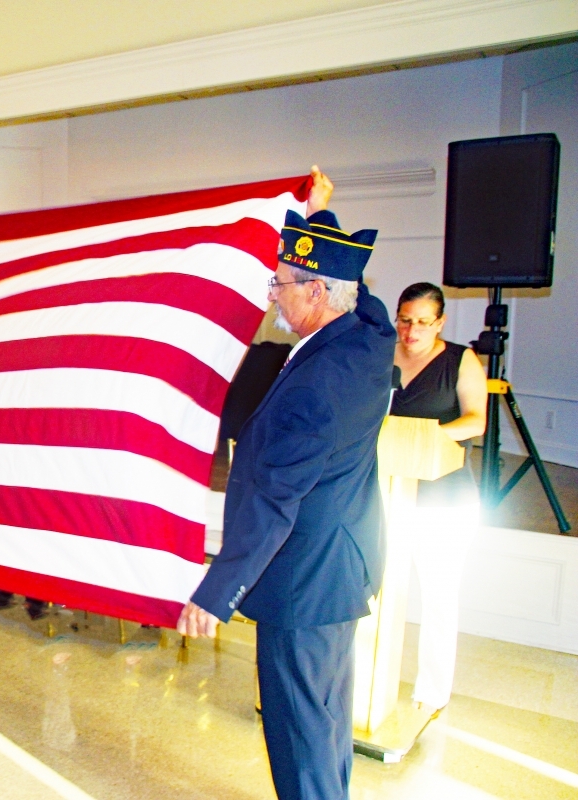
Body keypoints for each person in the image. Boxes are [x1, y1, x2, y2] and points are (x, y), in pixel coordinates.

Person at [177, 167, 396, 800]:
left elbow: (275, 503)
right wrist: (316, 213)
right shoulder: (365, 339)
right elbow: (360, 288)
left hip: (301, 584)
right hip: (338, 573)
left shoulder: (318, 388)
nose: (273, 295)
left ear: (320, 294)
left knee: (300, 741)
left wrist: (217, 592)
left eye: (282, 284)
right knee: (324, 728)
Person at [390, 282, 486, 716]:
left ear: (441, 322)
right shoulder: (383, 353)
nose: (411, 332)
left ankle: (431, 692)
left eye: (423, 323)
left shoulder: (460, 359)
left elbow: (476, 421)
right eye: (405, 320)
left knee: (439, 594)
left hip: (444, 497)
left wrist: (425, 437)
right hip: (390, 489)